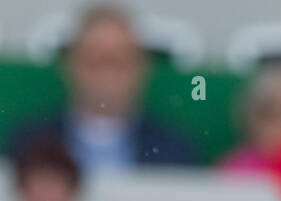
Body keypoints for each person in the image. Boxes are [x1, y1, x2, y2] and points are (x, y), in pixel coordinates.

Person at [6, 5, 196, 171]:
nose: (107, 74)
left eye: (120, 60)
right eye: (94, 59)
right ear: (69, 66)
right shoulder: (29, 143)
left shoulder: (175, 149)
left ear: (142, 69)